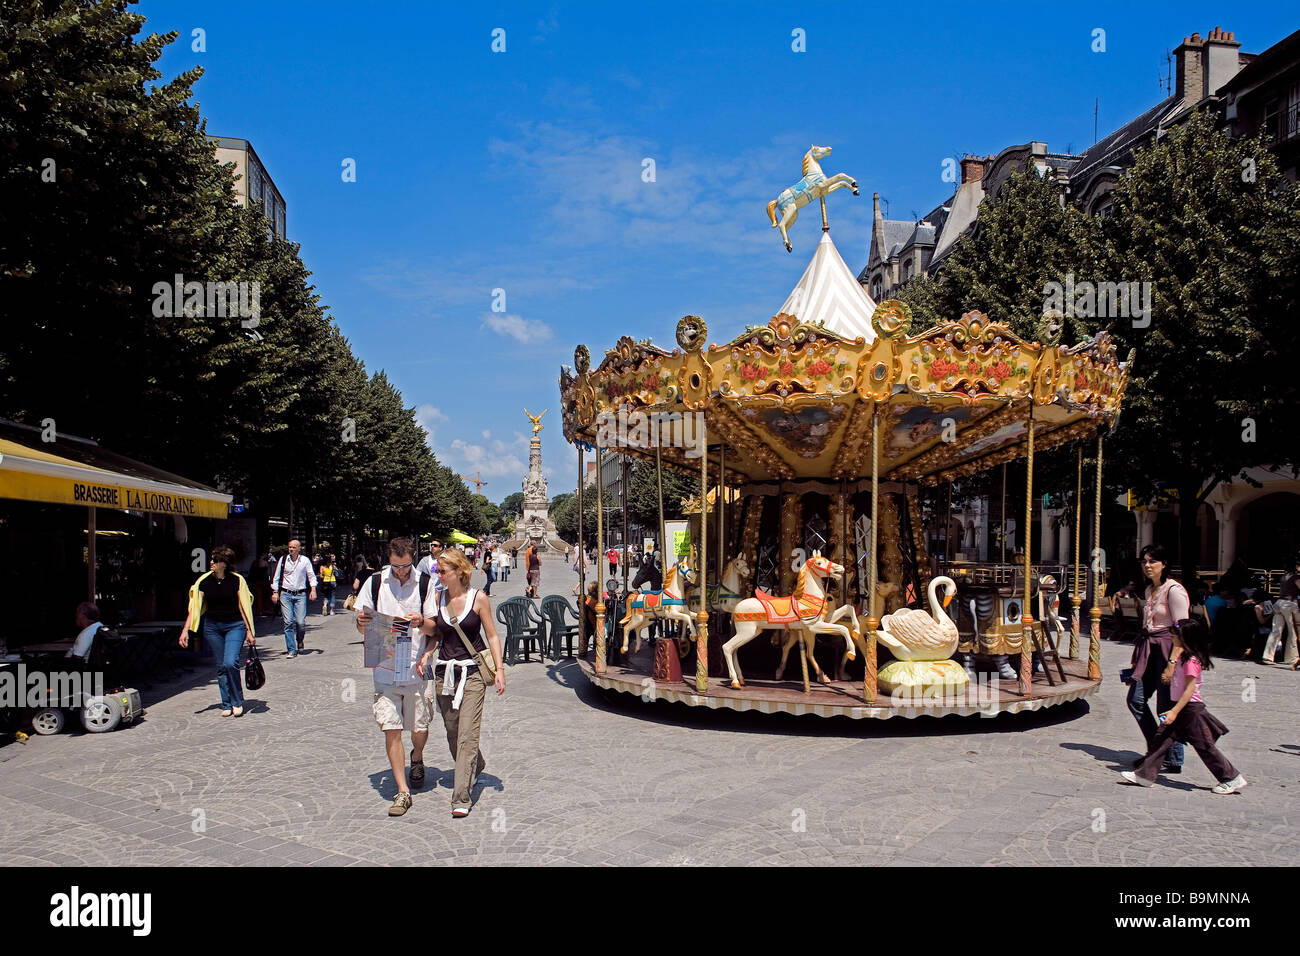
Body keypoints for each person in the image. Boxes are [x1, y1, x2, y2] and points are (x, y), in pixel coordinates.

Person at [419, 548, 506, 817]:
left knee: (467, 734)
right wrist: (427, 652)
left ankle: (461, 797)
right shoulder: (438, 597)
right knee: (452, 730)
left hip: (473, 673)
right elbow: (436, 634)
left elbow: (491, 635)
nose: (438, 575)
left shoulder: (478, 598)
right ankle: (476, 763)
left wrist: (499, 668)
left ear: (459, 571)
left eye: (442, 571)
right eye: (437, 570)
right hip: (446, 672)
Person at [1120, 618, 1248, 794]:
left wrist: (1174, 711)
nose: (1171, 638)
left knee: (1204, 746)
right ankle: (1144, 775)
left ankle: (1231, 777)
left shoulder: (1191, 662)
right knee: (1161, 740)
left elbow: (1189, 691)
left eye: (1174, 635)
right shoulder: (1182, 657)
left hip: (1190, 710)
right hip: (1180, 707)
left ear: (1185, 638)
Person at [355, 537, 434, 817]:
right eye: (396, 567)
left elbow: (435, 628)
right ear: (388, 560)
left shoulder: (425, 583)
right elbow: (360, 623)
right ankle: (402, 792)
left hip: (416, 668)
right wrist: (362, 622)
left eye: (406, 567)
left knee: (419, 728)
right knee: (391, 728)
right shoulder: (375, 582)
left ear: (413, 559)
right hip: (385, 668)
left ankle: (418, 756)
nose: (401, 572)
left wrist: (420, 622)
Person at [1125, 544, 1185, 774]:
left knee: (1165, 704)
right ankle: (1157, 749)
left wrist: (1172, 663)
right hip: (1149, 648)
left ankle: (1172, 758)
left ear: (1164, 564)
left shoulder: (1174, 591)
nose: (1147, 566)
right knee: (1136, 699)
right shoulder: (1150, 590)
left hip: (1168, 649)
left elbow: (1182, 629)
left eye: (1152, 561)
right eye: (1144, 562)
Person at [179, 546, 256, 717]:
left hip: (235, 626)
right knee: (221, 666)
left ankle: (237, 701)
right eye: (212, 559)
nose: (211, 562)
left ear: (225, 563)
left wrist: (249, 631)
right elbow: (195, 608)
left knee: (231, 662)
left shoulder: (237, 580)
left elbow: (242, 606)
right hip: (212, 627)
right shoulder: (203, 581)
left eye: (215, 560)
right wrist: (185, 630)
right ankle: (226, 703)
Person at [271, 540, 317, 658]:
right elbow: (276, 577)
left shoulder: (305, 560)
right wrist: (275, 592)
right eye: (290, 547)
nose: (291, 549)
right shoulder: (283, 560)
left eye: (293, 547)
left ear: (299, 548)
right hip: (285, 594)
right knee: (288, 622)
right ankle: (291, 649)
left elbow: (311, 576)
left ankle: (300, 640)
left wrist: (313, 589)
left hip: (300, 595)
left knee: (300, 622)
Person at [1262, 555, 1300, 666]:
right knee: (1292, 632)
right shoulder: (1296, 577)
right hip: (1289, 605)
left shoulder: (1284, 576)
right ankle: (1291, 658)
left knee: (1276, 631)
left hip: (1279, 604)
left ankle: (1268, 656)